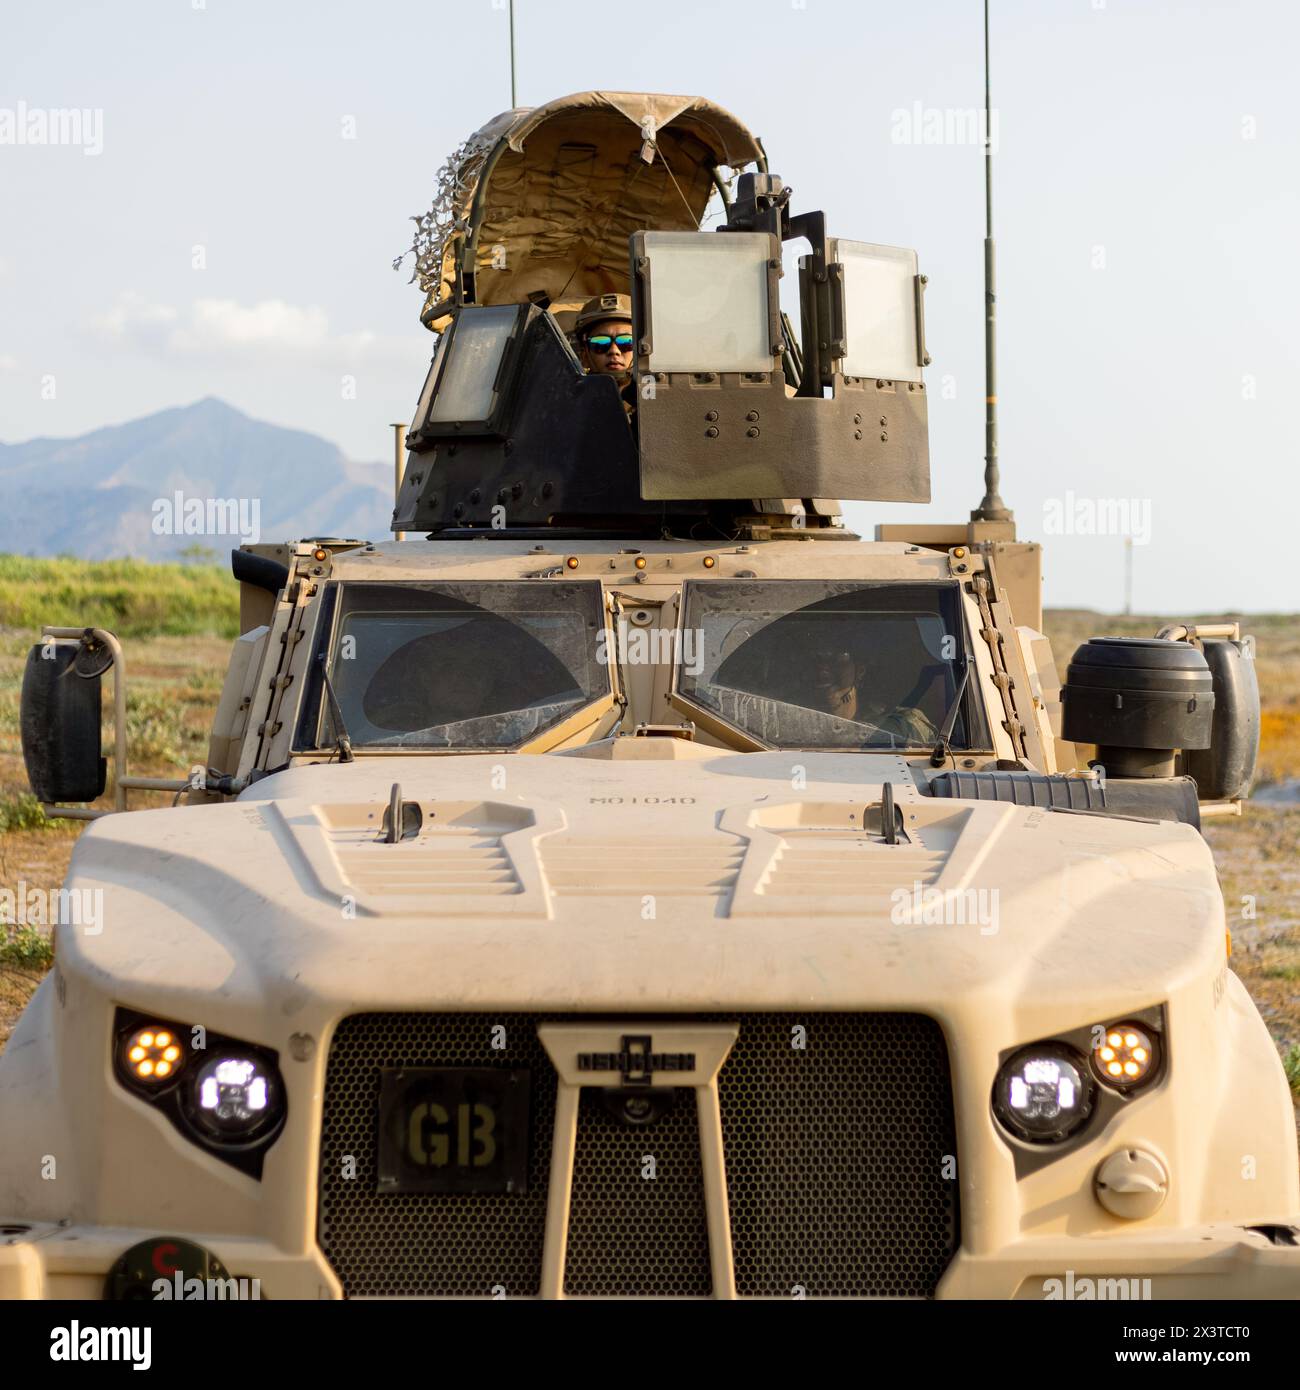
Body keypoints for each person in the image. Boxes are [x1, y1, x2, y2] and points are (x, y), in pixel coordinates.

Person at [573, 293, 637, 418]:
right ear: (584, 356)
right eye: (600, 343)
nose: (614, 351)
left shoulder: (659, 402)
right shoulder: (570, 408)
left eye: (626, 342)